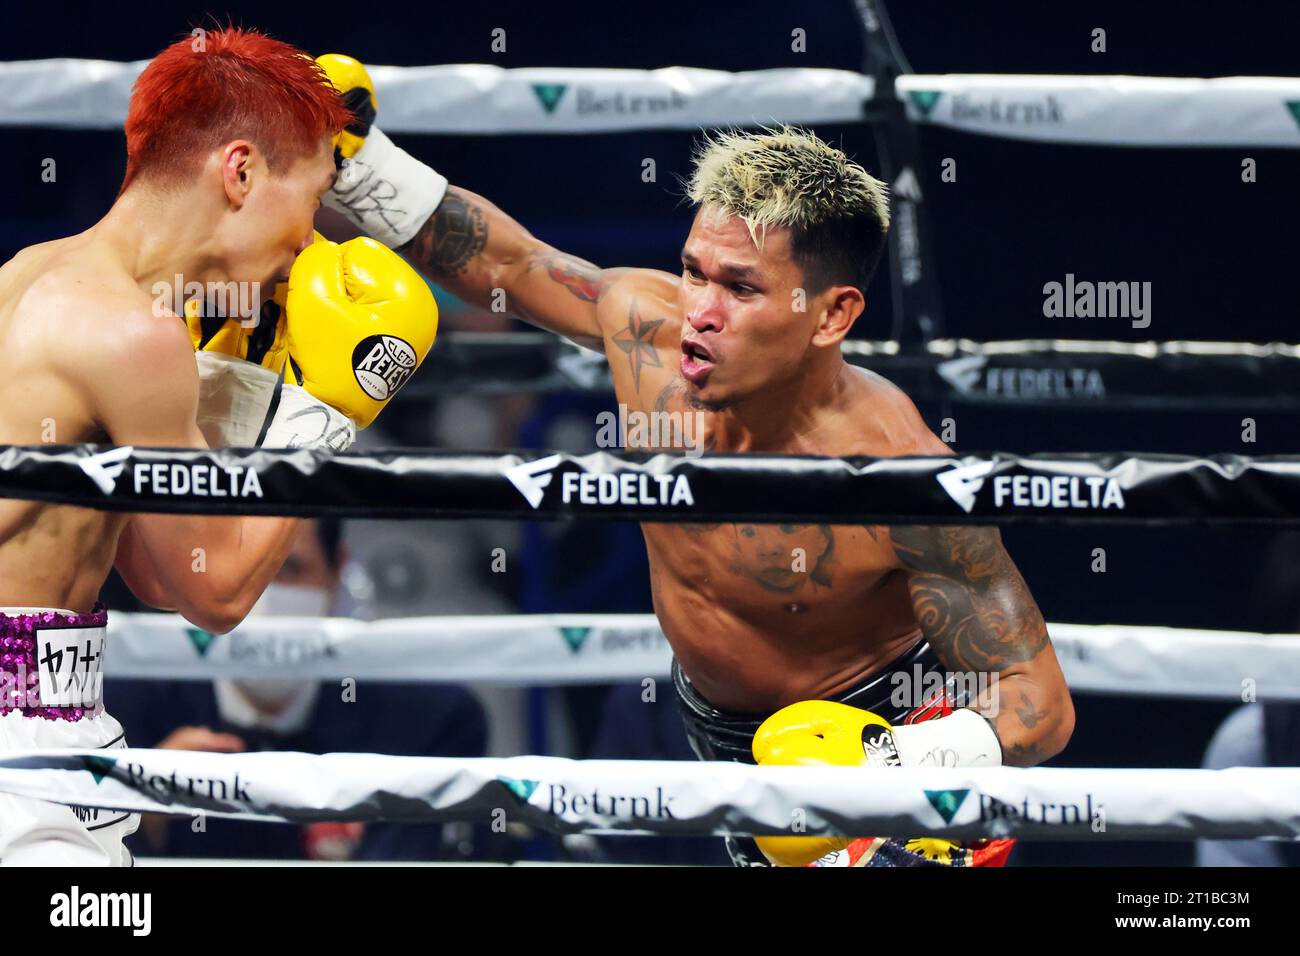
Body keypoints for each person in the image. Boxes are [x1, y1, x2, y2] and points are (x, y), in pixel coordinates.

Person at [318, 56, 1074, 866]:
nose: (700, 315)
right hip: (697, 738)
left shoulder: (900, 476)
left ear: (833, 315)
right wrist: (358, 164)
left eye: (741, 289)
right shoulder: (649, 333)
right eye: (692, 272)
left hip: (881, 755)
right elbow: (507, 264)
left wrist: (881, 775)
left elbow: (1039, 706)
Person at [0, 29, 434, 865]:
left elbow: (162, 576)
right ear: (239, 172)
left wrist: (230, 393)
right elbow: (220, 593)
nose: (311, 242)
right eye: (309, 202)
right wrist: (326, 410)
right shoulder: (132, 335)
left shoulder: (29, 275)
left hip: (48, 719)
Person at [107, 519, 491, 862]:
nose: (263, 594)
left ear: (336, 570)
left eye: (288, 568)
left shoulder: (427, 719)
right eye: (239, 568)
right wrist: (138, 811)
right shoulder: (118, 712)